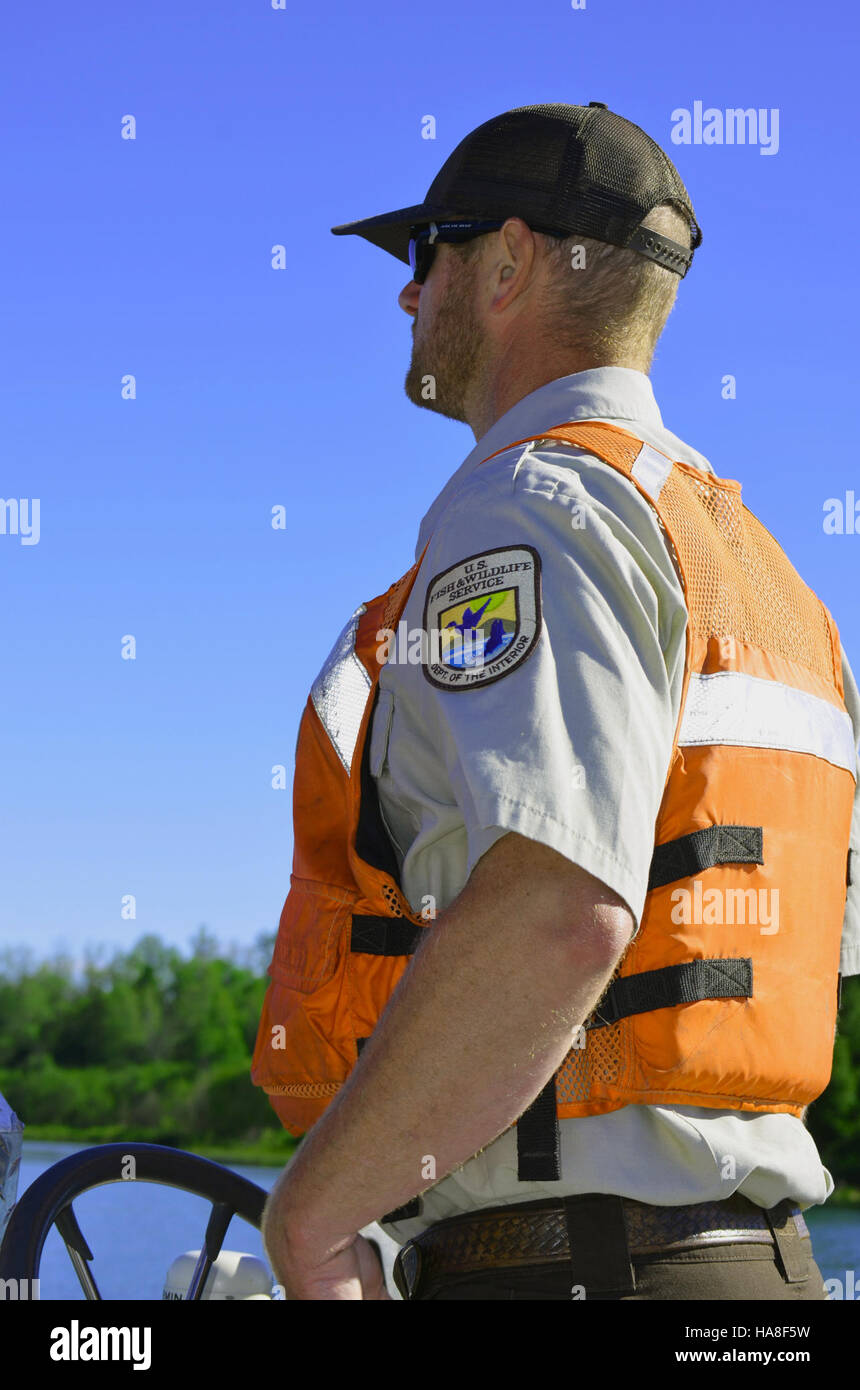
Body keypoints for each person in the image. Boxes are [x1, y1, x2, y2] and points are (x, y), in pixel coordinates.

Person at [251, 102, 860, 1300]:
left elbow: (559, 905)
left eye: (425, 255)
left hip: (568, 1272)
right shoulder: (767, 581)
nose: (404, 297)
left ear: (511, 264)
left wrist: (314, 1223)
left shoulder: (531, 501)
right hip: (757, 1279)